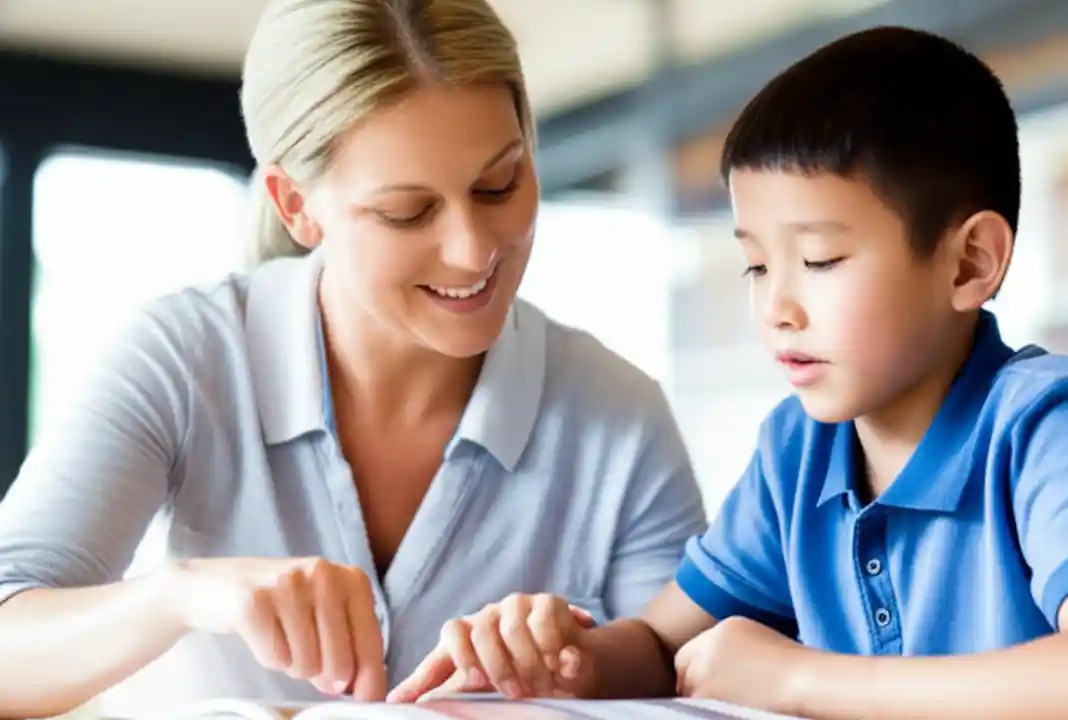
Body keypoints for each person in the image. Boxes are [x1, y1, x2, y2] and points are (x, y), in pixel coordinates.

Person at [391, 26, 1068, 720]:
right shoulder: (799, 452)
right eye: (755, 265)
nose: (776, 307)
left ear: (969, 263)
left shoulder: (1051, 425)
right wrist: (562, 659)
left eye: (820, 259)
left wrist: (801, 678)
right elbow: (666, 647)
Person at [0, 1, 705, 717]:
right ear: (295, 206)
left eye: (498, 185)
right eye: (407, 212)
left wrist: (577, 665)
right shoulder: (184, 359)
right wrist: (182, 594)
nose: (473, 250)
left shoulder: (620, 415)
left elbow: (692, 672)